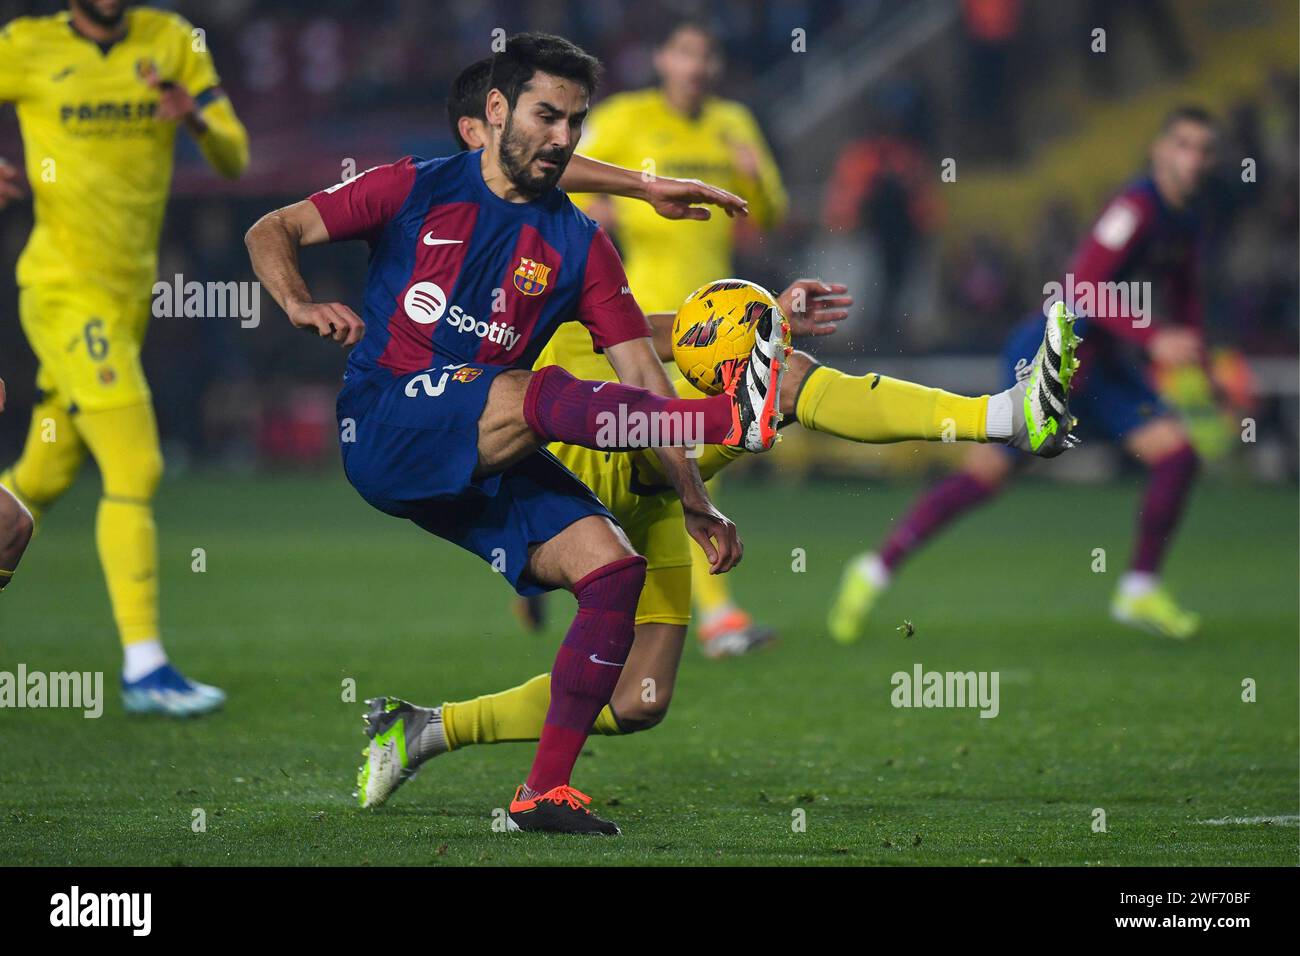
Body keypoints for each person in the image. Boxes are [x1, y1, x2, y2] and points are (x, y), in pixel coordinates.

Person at [244, 33, 789, 836]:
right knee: (540, 392)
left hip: (485, 450)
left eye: (576, 121)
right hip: (389, 423)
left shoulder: (582, 246)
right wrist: (295, 302)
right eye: (546, 115)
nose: (563, 137)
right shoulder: (412, 187)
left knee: (613, 572)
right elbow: (272, 228)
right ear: (494, 112)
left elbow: (642, 376)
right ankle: (734, 413)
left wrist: (692, 492)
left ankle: (542, 794)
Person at [829, 107, 1218, 643]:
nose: (1192, 158)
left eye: (1202, 148)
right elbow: (1080, 288)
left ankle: (1138, 588)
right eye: (1182, 144)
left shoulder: (1185, 223)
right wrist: (1154, 337)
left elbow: (1187, 299)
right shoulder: (1134, 208)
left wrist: (1198, 359)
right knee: (986, 475)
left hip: (1100, 361)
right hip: (1052, 353)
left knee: (1177, 453)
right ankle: (873, 570)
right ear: (1159, 151)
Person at [0, 0, 248, 714]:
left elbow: (234, 155)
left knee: (37, 478)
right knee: (136, 464)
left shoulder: (170, 41)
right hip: (63, 289)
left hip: (131, 296)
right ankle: (145, 667)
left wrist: (195, 117)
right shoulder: (28, 45)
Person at [571, 19, 790, 656]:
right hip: (639, 315)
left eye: (707, 54)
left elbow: (771, 214)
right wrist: (596, 211)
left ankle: (551, 577)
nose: (696, 66)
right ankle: (716, 617)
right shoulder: (625, 118)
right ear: (663, 58)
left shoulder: (735, 124)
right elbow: (565, 175)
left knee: (676, 456)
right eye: (685, 52)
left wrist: (754, 178)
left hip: (719, 320)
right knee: (675, 455)